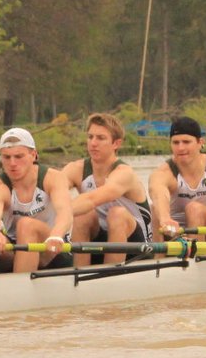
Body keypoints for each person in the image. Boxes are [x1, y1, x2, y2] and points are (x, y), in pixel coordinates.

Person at [62, 111, 153, 264]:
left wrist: (60, 214)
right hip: (100, 239)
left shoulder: (124, 173)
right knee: (82, 215)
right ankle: (77, 275)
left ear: (116, 143)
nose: (93, 143)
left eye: (101, 138)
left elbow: (91, 199)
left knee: (117, 214)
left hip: (137, 248)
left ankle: (110, 277)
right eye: (90, 137)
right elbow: (51, 191)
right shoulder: (75, 168)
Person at [0, 127, 74, 273]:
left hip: (52, 247)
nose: (12, 163)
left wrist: (56, 234)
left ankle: (20, 287)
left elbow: (65, 213)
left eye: (18, 156)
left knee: (26, 225)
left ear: (33, 155)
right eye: (6, 157)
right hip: (16, 248)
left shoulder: (53, 178)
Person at [149, 115, 206, 241]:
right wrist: (165, 218)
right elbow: (159, 197)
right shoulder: (162, 173)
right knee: (154, 208)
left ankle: (195, 256)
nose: (180, 148)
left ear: (200, 143)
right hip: (174, 233)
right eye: (176, 143)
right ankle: (158, 259)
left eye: (186, 142)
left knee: (194, 208)